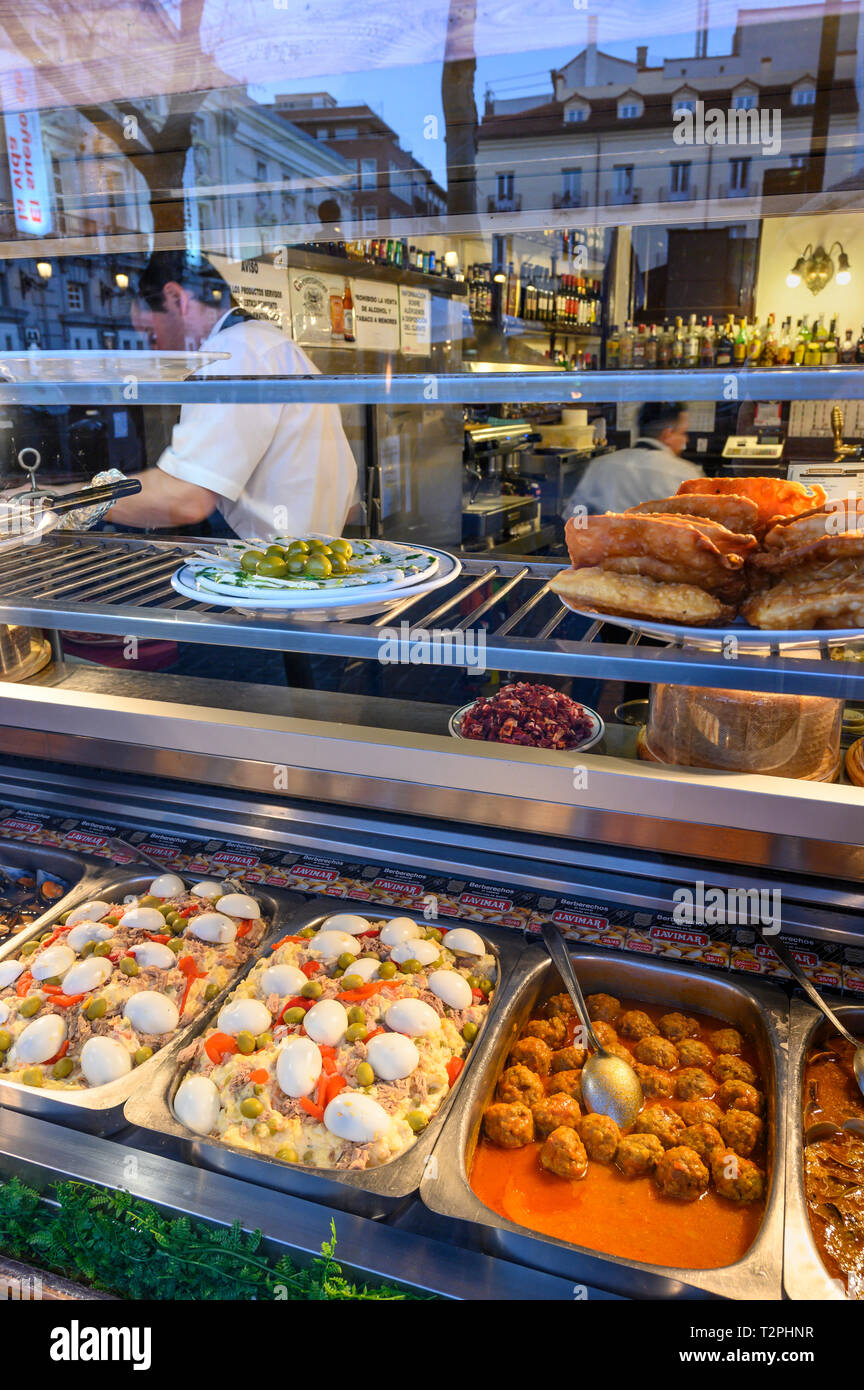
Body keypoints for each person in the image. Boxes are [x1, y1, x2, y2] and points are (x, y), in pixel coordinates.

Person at [106, 251, 357, 538]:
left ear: (176, 298)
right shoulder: (267, 343)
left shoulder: (231, 355)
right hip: (300, 559)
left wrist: (75, 502)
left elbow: (187, 498)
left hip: (269, 571)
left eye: (151, 335)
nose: (156, 350)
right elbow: (348, 505)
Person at [564, 401, 704, 517]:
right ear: (667, 434)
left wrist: (583, 542)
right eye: (683, 433)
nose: (686, 440)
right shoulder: (686, 475)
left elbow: (575, 515)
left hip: (605, 549)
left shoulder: (601, 465)